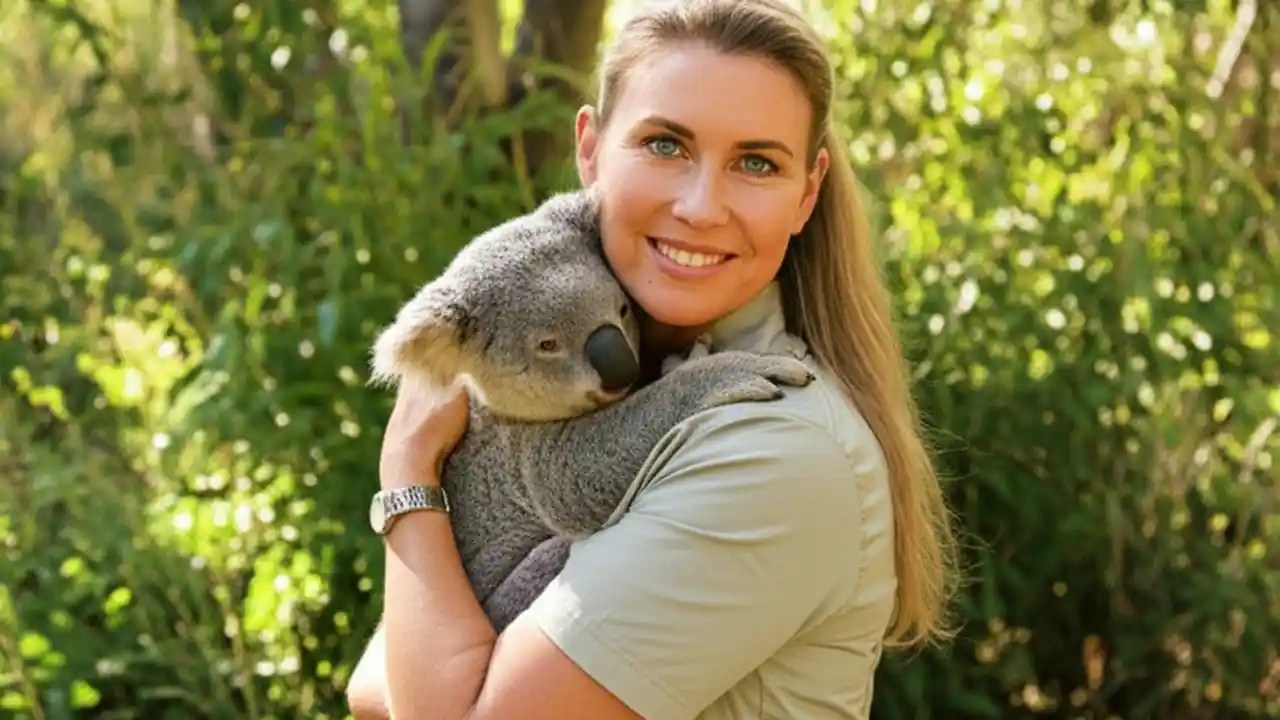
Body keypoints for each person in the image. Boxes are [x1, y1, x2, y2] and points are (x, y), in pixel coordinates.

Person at [346, 0, 959, 717]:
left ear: (807, 193)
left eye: (756, 163)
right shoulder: (555, 380)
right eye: (666, 145)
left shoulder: (776, 449)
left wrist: (409, 472)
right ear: (589, 149)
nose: (701, 207)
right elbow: (372, 687)